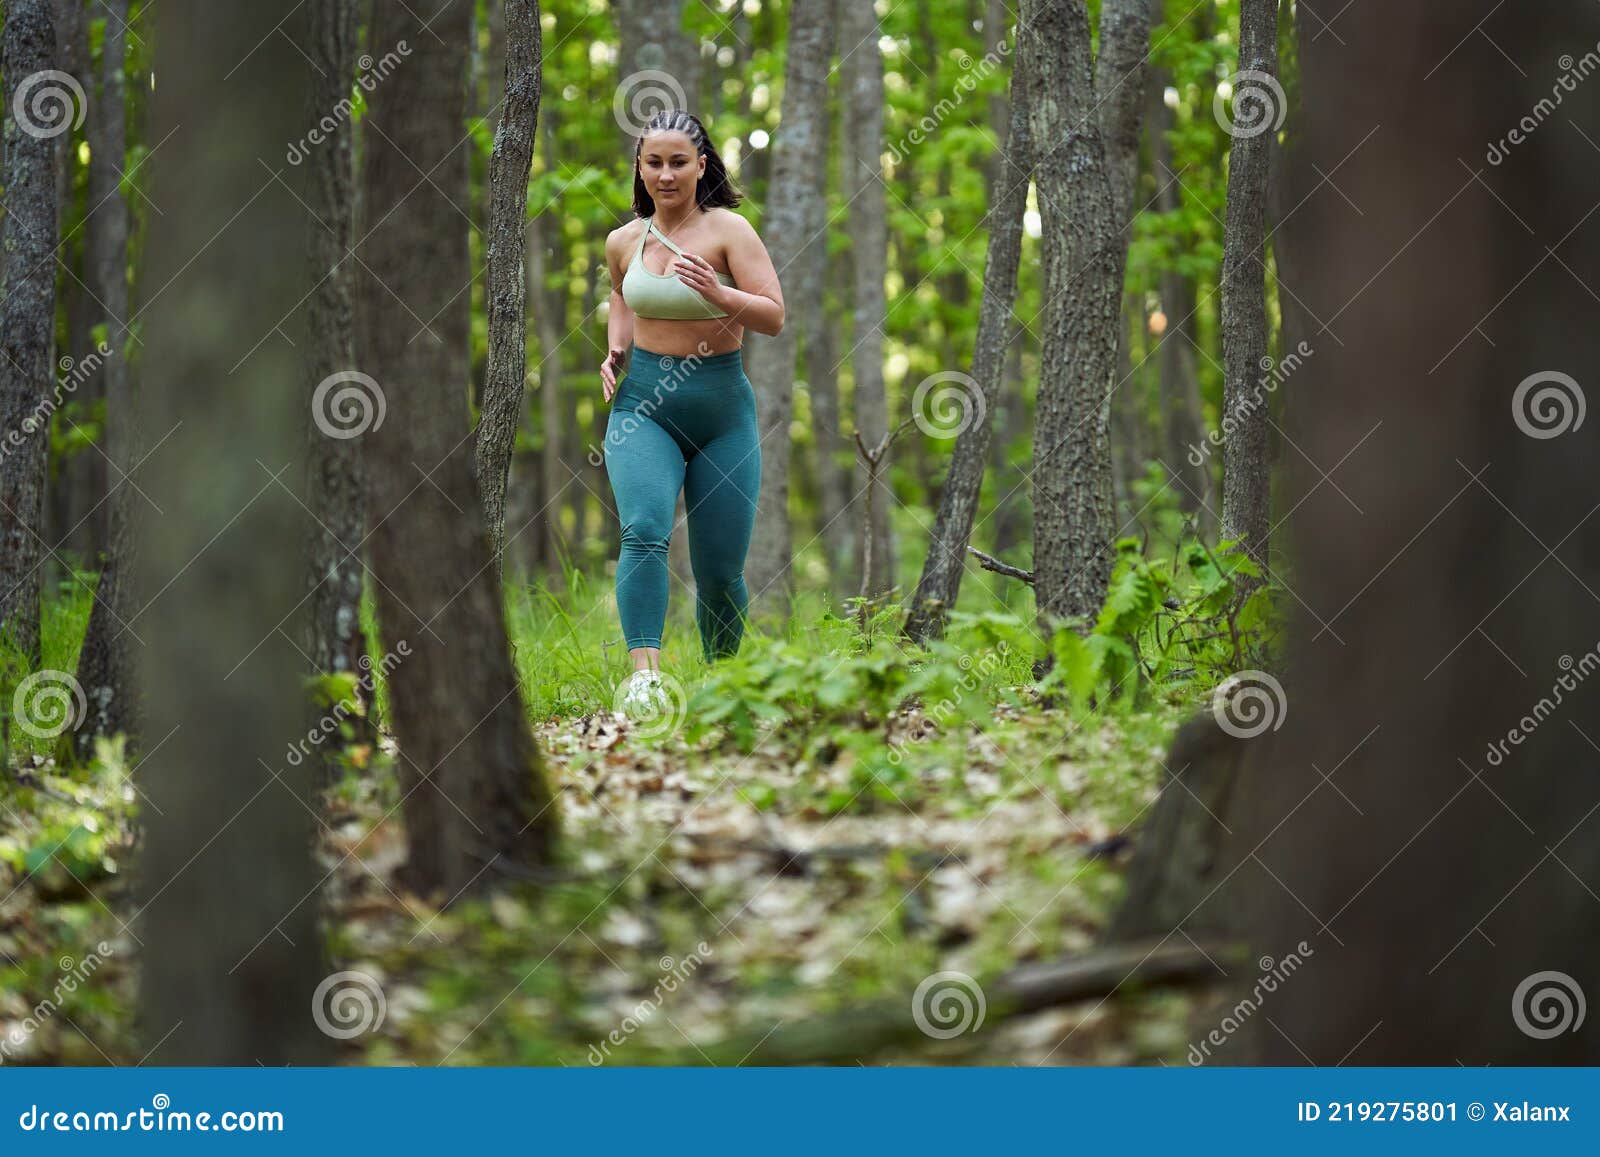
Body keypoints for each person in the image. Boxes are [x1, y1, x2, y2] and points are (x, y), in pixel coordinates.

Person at [600, 109, 785, 713]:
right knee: (643, 530)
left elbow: (774, 316)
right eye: (654, 162)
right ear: (639, 168)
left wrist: (718, 292)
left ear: (701, 166)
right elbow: (619, 294)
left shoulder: (730, 231)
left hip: (722, 413)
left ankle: (725, 686)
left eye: (678, 162)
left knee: (720, 568)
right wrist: (616, 348)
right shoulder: (624, 241)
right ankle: (646, 681)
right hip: (643, 407)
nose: (666, 174)